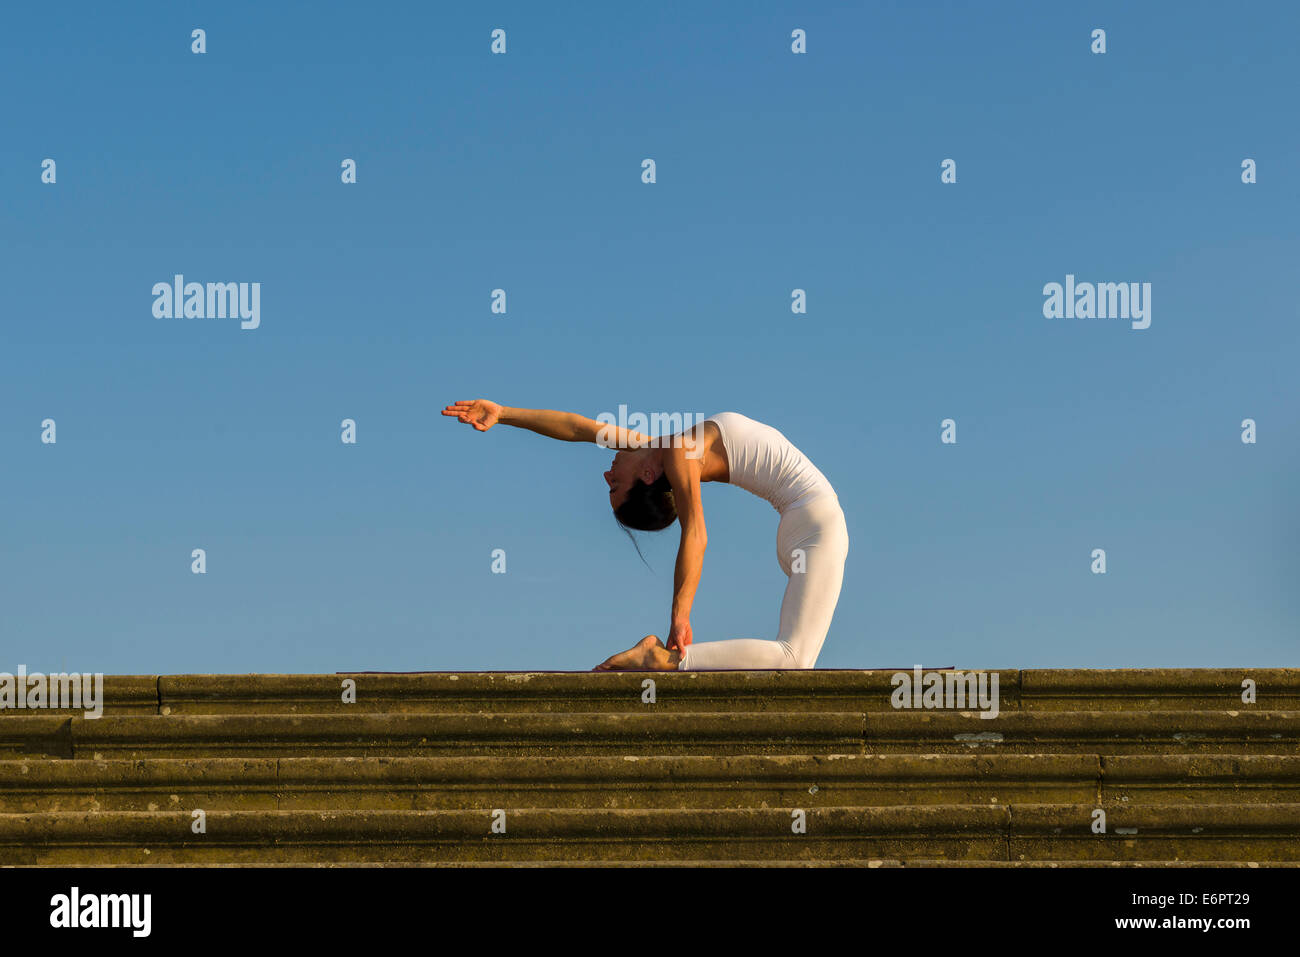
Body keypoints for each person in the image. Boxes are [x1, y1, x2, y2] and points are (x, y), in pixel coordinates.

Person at [441, 400, 849, 671]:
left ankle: (664, 660)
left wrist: (505, 413)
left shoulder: (666, 449)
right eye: (613, 487)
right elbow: (697, 533)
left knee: (795, 658)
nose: (606, 474)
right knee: (795, 659)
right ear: (647, 477)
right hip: (816, 525)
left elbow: (579, 428)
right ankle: (662, 660)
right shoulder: (678, 452)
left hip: (804, 526)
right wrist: (680, 613)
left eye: (610, 486)